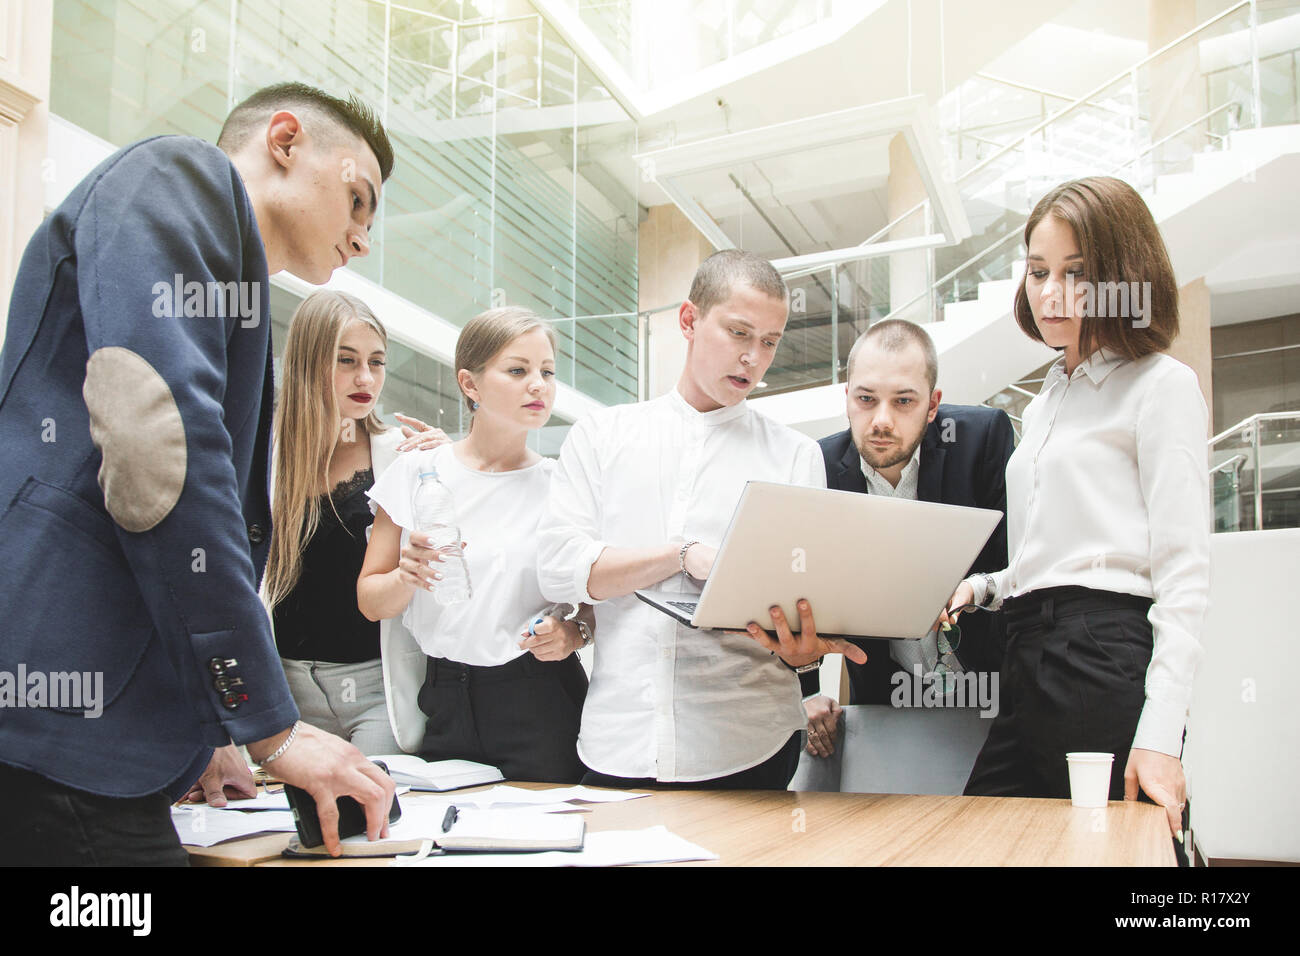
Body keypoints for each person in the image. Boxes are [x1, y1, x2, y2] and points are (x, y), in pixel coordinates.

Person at [0, 82, 399, 863]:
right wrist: (270, 727)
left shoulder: (239, 290)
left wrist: (205, 723)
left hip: (104, 733)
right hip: (60, 722)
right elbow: (160, 451)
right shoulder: (179, 177)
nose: (360, 238)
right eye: (357, 201)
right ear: (284, 140)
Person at [536, 249, 867, 791]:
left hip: (749, 746)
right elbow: (559, 569)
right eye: (739, 333)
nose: (753, 360)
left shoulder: (793, 455)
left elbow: (801, 601)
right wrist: (681, 555)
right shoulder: (603, 436)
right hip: (618, 742)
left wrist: (802, 650)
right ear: (689, 320)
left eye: (769, 342)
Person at [943, 176, 1209, 840]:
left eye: (1077, 272)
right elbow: (1045, 556)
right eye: (1038, 271)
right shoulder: (1043, 403)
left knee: (1108, 860)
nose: (1050, 292)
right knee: (991, 843)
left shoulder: (1161, 387)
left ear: (1125, 274)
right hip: (1026, 648)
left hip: (1102, 655)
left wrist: (1161, 736)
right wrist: (980, 587)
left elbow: (1183, 576)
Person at [358, 307, 593, 783]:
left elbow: (600, 602)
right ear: (470, 385)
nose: (539, 385)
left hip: (541, 697)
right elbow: (370, 600)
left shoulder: (565, 486)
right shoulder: (416, 472)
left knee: (547, 848)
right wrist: (407, 576)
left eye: (547, 372)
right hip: (444, 697)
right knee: (449, 845)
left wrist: (575, 634)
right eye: (517, 370)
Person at [800, 320, 1014, 757]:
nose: (881, 420)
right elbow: (800, 590)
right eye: (866, 399)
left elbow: (1018, 563)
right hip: (884, 703)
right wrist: (806, 690)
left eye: (903, 402)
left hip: (995, 699)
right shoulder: (817, 464)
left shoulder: (981, 439)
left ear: (933, 405)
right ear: (847, 397)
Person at [261, 291, 446, 756]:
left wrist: (458, 466)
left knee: (378, 822)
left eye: (377, 362)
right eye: (346, 361)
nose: (366, 378)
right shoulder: (262, 458)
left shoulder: (402, 456)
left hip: (377, 691)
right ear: (308, 362)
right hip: (285, 692)